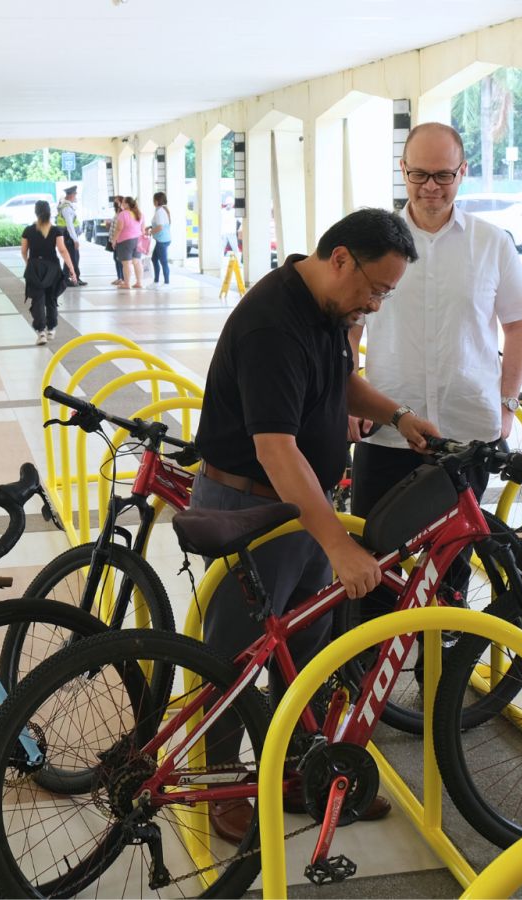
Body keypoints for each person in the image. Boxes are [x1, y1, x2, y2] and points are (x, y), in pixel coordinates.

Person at [191, 207, 434, 843]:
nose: (375, 304)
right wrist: (338, 544)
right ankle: (221, 783)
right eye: (374, 289)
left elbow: (340, 382)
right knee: (236, 653)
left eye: (386, 294)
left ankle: (299, 771)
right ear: (341, 259)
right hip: (250, 505)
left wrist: (398, 415)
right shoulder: (272, 323)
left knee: (304, 649)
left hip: (302, 504)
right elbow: (275, 450)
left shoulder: (327, 309)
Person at [353, 122, 522, 530]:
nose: (430, 187)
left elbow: (518, 325)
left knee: (454, 556)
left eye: (443, 175)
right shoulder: (374, 244)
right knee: (374, 556)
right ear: (403, 169)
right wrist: (349, 399)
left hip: (468, 432)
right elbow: (349, 328)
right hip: (386, 432)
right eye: (419, 174)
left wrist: (508, 403)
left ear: (463, 171)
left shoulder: (492, 242)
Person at [21, 199, 78, 345]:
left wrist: (28, 263)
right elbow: (62, 250)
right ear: (49, 212)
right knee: (51, 298)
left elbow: (24, 251)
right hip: (52, 267)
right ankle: (51, 328)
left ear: (36, 212)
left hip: (35, 267)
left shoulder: (28, 230)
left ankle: (41, 332)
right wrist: (72, 270)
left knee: (38, 299)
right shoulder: (56, 230)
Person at [57, 185, 87, 286]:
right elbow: (70, 226)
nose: (76, 197)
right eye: (75, 194)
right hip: (69, 236)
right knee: (73, 258)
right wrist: (75, 240)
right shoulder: (66, 208)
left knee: (72, 257)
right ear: (71, 195)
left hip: (68, 236)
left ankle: (71, 278)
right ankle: (70, 279)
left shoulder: (66, 205)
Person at [111, 196, 144, 289]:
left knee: (126, 263)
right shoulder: (140, 214)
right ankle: (139, 282)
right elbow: (143, 229)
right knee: (137, 262)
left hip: (126, 241)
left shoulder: (123, 214)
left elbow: (119, 228)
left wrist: (114, 240)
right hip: (138, 239)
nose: (121, 204)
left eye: (123, 202)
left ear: (127, 204)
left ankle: (127, 284)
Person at [149, 191, 173, 285]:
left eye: (153, 199)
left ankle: (167, 283)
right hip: (162, 239)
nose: (153, 201)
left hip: (162, 240)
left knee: (163, 262)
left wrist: (150, 232)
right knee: (154, 259)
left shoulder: (160, 211)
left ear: (156, 201)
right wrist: (150, 227)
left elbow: (160, 227)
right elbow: (160, 224)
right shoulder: (161, 210)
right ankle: (156, 281)